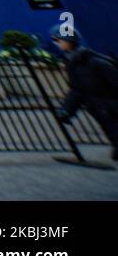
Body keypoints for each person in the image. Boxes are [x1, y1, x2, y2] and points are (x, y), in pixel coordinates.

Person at [50, 23, 118, 160]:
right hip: (96, 105)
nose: (56, 44)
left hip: (110, 104)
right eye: (55, 41)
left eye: (59, 40)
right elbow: (76, 89)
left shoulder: (96, 62)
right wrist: (66, 110)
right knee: (111, 131)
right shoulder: (72, 62)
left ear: (69, 41)